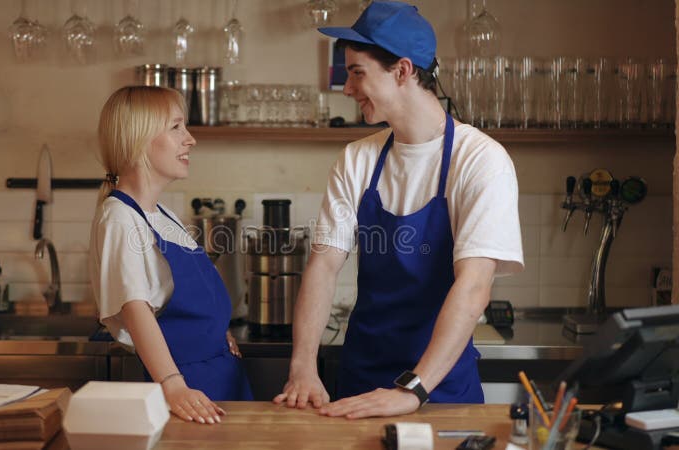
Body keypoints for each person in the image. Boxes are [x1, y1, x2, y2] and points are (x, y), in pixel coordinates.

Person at [273, 1, 524, 418]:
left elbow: (475, 285)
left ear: (403, 71)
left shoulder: (480, 159)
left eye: (357, 73)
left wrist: (414, 389)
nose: (347, 89)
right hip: (362, 377)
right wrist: (303, 368)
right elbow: (324, 265)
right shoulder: (357, 159)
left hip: (439, 387)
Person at [89, 86, 253, 425]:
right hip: (187, 389)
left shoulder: (162, 213)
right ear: (139, 139)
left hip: (219, 376)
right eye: (176, 127)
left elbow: (177, 294)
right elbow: (135, 308)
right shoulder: (120, 217)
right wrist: (172, 386)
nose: (190, 139)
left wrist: (215, 328)